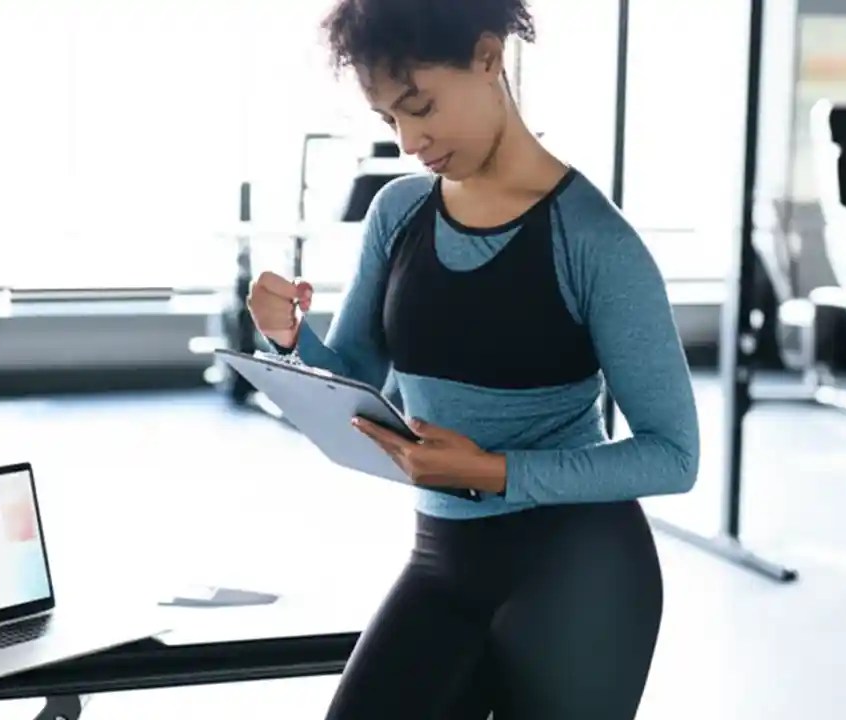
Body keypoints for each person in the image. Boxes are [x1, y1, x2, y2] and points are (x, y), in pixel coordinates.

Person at [247, 1, 700, 717]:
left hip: (579, 567)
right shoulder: (398, 214)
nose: (407, 140)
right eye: (388, 119)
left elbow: (675, 457)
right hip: (441, 561)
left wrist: (490, 472)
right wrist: (287, 338)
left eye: (419, 106)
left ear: (489, 59)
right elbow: (358, 377)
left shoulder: (594, 241)